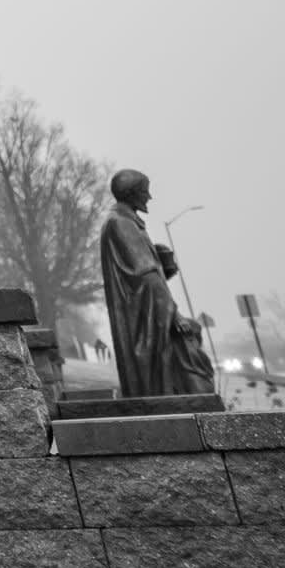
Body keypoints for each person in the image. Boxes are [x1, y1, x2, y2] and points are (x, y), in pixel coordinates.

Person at [99, 169, 216, 397]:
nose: (149, 197)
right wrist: (174, 315)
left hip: (149, 310)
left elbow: (143, 272)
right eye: (145, 191)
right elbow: (147, 277)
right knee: (187, 356)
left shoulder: (127, 222)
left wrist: (163, 266)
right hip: (146, 317)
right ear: (133, 193)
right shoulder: (121, 223)